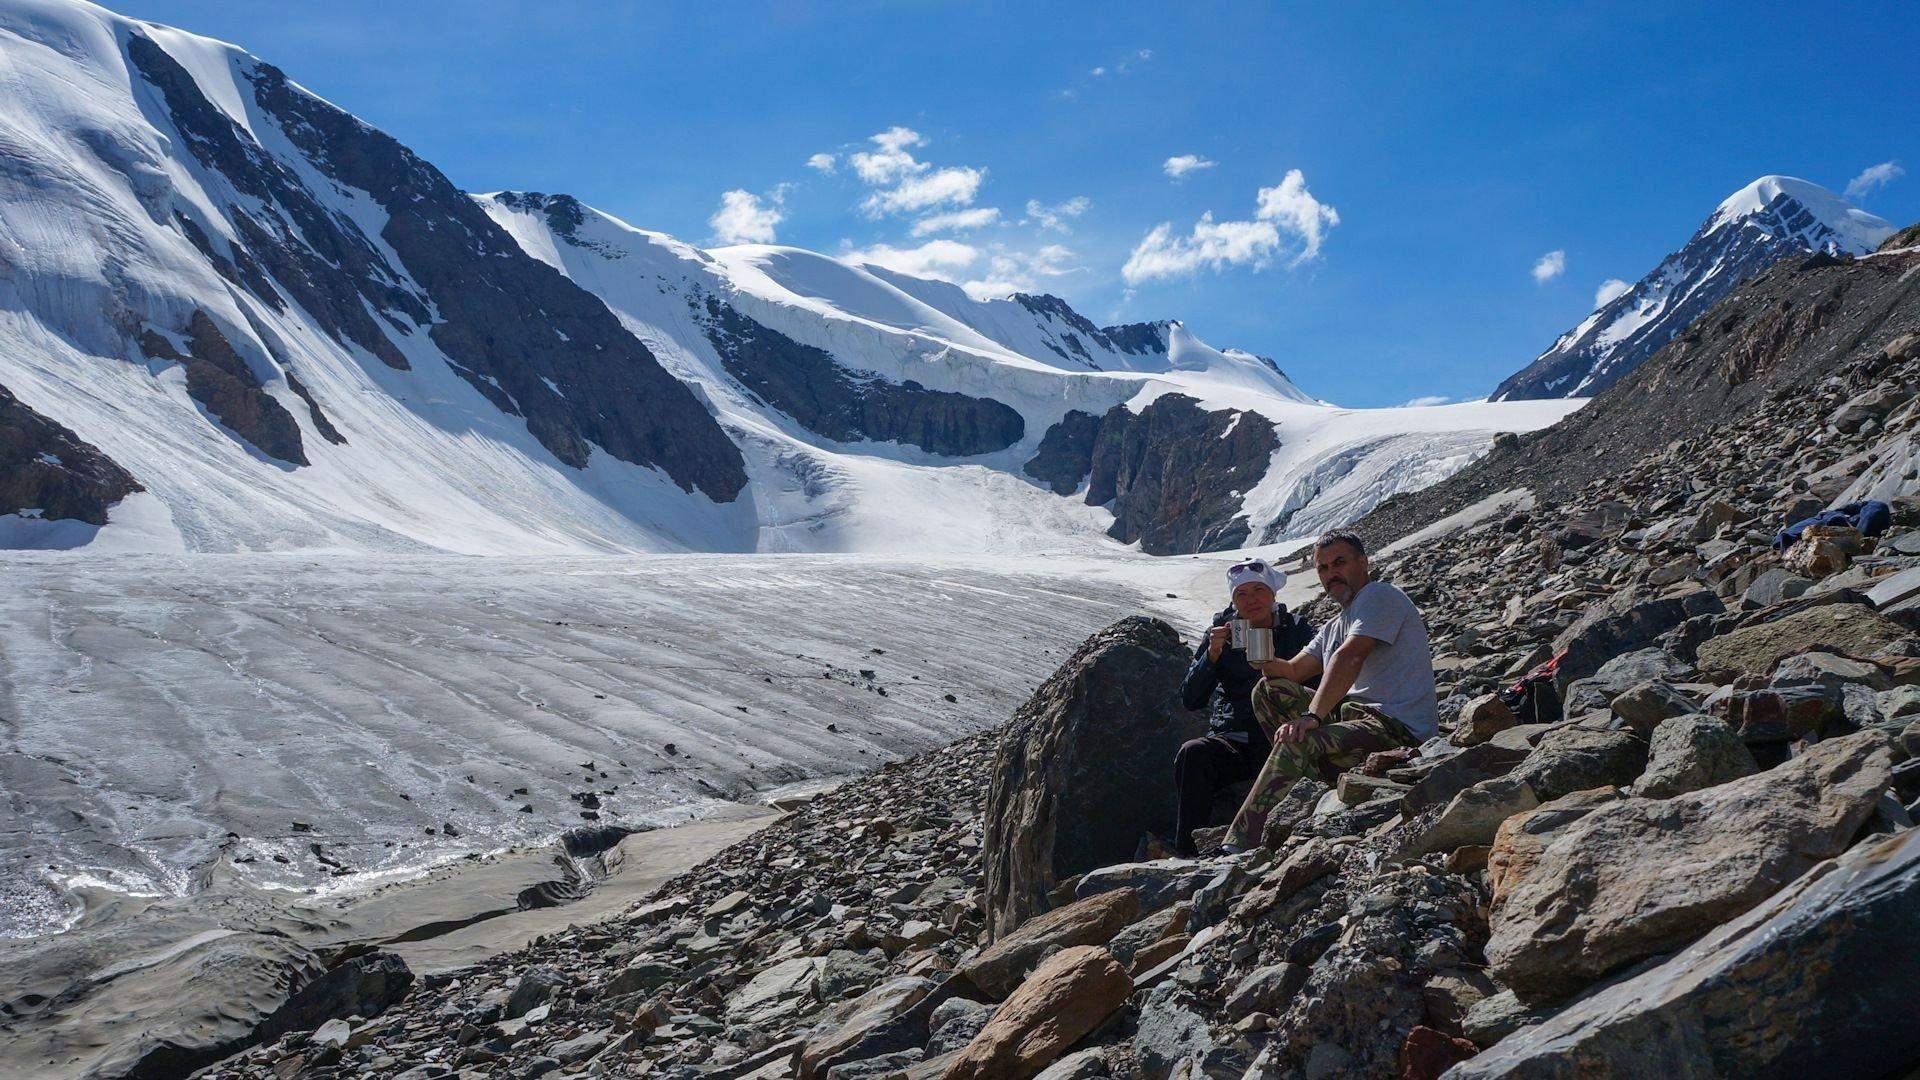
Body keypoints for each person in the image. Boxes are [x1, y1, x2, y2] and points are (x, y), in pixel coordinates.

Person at [1222, 530, 1437, 850]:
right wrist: (1254, 637)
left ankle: (1240, 844)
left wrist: (1312, 716)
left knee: (1299, 738)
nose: (1330, 573)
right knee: (1268, 691)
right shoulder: (1337, 623)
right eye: (1323, 568)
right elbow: (1292, 671)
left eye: (1339, 563)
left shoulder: (1378, 595)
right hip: (1360, 721)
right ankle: (1308, 780)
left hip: (1397, 730)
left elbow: (1350, 655)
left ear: (1363, 563)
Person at [1172, 558, 1315, 856]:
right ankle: (1186, 853)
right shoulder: (1221, 633)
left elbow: (1321, 681)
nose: (1252, 600)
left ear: (1273, 594)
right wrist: (1211, 656)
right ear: (1233, 601)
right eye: (1242, 594)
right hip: (1234, 741)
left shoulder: (1297, 630)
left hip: (1282, 736)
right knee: (1193, 754)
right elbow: (1191, 699)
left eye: (1259, 590)